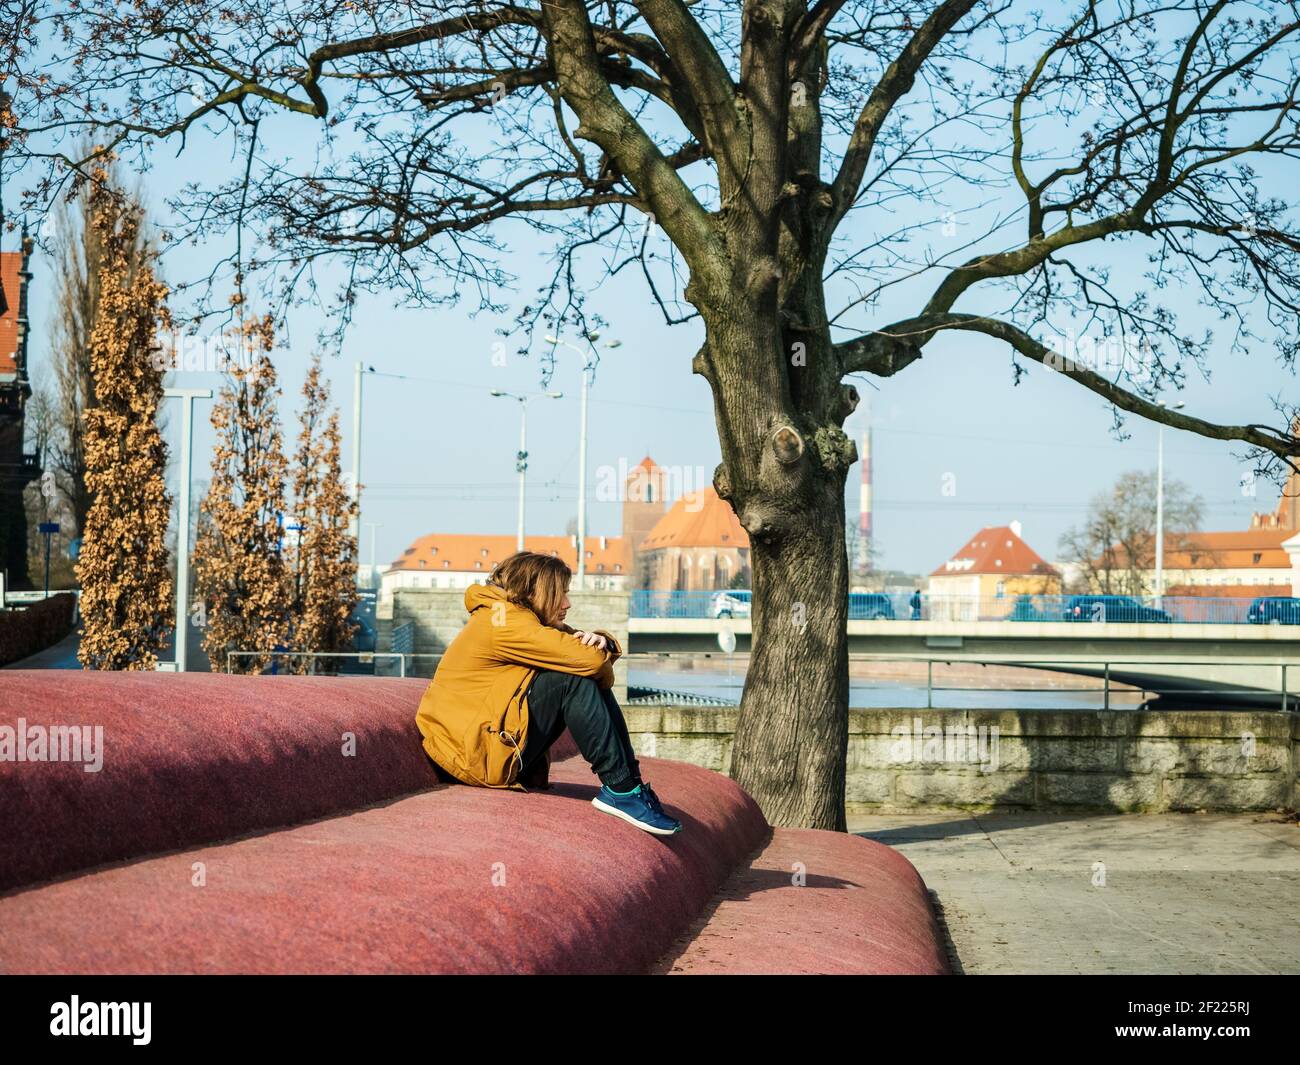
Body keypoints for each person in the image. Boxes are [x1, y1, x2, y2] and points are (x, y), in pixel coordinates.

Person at [414, 550, 682, 836]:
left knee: (578, 674)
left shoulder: (515, 618)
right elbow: (590, 662)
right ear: (533, 592)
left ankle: (629, 786)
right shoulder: (503, 624)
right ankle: (622, 788)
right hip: (474, 756)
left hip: (487, 746)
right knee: (573, 680)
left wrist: (601, 641)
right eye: (560, 594)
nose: (567, 603)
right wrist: (597, 653)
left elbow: (584, 656)